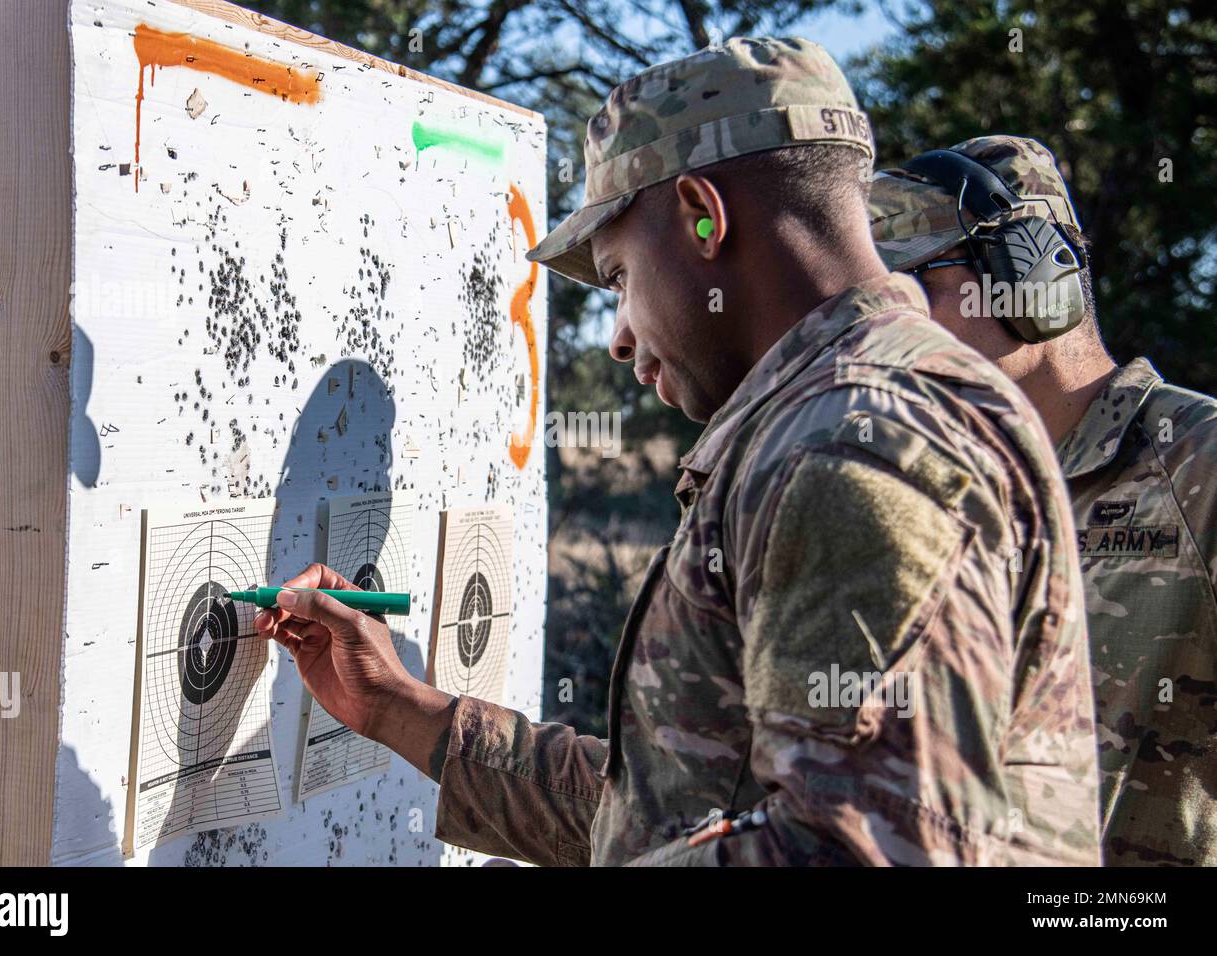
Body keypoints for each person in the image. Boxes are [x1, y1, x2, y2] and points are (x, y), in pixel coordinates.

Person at [259, 40, 1100, 866]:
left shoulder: (855, 441)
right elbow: (692, 811)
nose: (619, 338)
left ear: (704, 215)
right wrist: (400, 710)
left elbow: (861, 848)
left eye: (620, 276)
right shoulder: (839, 413)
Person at [868, 134, 1217, 866]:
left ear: (1032, 274)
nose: (886, 325)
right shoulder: (937, 498)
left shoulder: (1200, 466)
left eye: (913, 284)